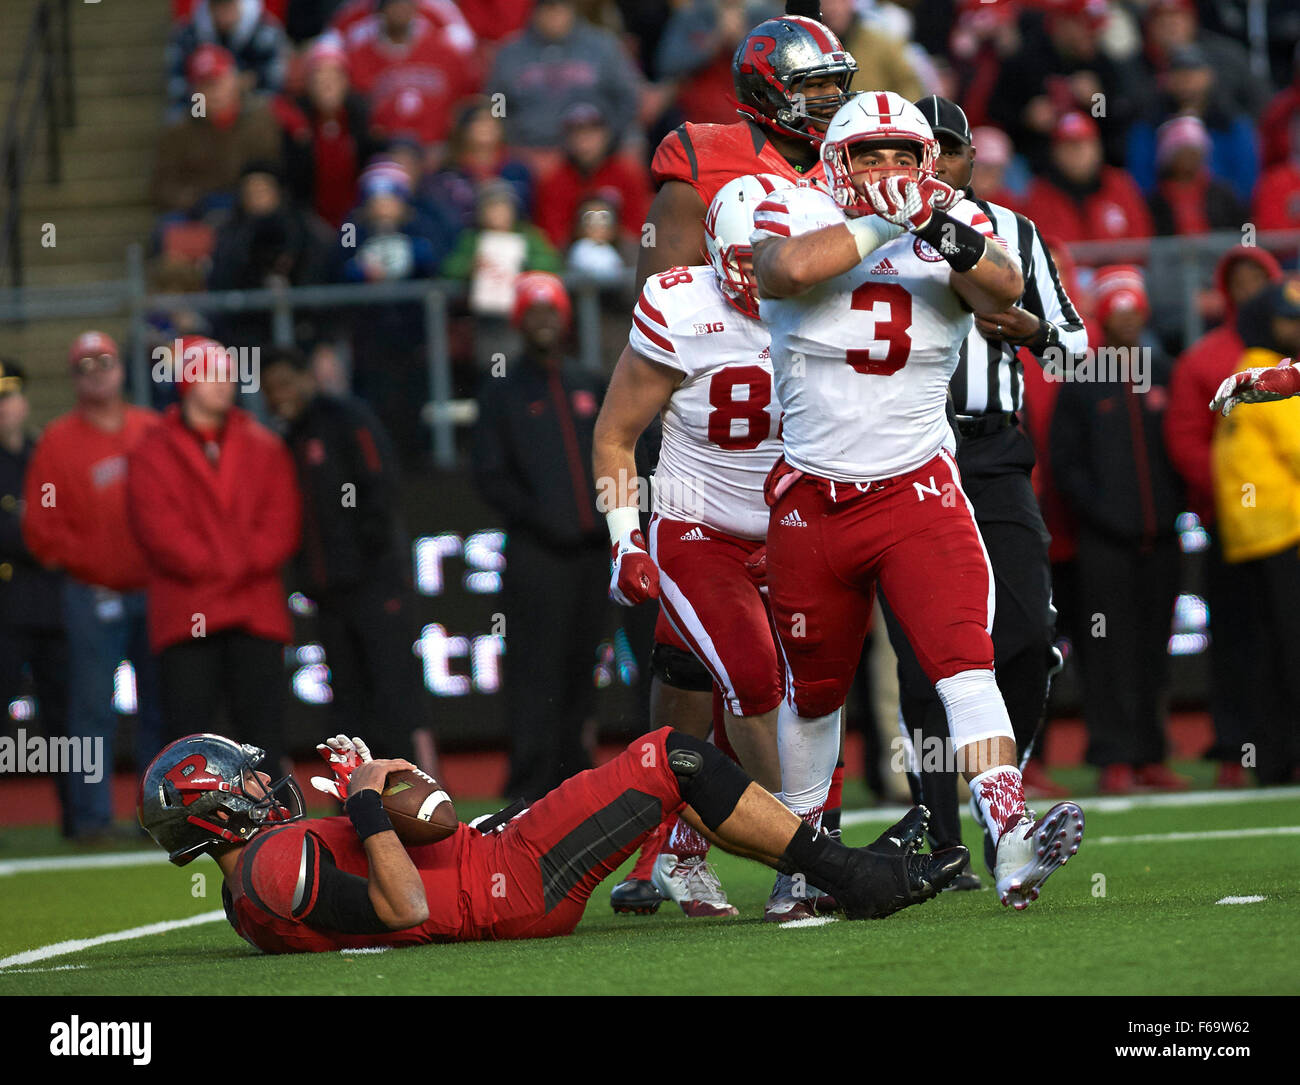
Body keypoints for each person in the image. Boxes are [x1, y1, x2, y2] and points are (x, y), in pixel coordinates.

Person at [750, 90, 1083, 911]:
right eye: (872, 156)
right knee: (814, 690)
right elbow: (784, 271)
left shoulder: (954, 226)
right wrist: (885, 223)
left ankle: (1009, 839)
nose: (890, 171)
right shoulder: (790, 207)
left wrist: (933, 224)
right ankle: (803, 856)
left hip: (917, 489)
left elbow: (1004, 289)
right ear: (837, 161)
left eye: (905, 156)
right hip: (810, 497)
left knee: (964, 662)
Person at [615, 12, 860, 914]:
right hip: (716, 428)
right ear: (764, 88)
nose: (831, 103)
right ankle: (675, 842)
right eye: (813, 86)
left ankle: (790, 833)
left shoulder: (858, 150)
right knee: (697, 663)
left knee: (802, 659)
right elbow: (672, 283)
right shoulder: (704, 153)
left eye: (838, 84)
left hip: (825, 420)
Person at [137, 730, 968, 951]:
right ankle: (854, 875)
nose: (262, 784)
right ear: (211, 812)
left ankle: (839, 870)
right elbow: (405, 905)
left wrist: (390, 803)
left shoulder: (243, 899)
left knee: (658, 781)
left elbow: (418, 847)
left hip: (494, 864)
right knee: (671, 758)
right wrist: (363, 799)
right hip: (509, 883)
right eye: (241, 782)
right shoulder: (276, 862)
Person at [878, 97, 1089, 889]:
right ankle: (938, 830)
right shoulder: (871, 229)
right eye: (915, 151)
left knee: (1029, 634)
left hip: (993, 450)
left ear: (969, 158)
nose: (935, 163)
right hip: (904, 446)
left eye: (948, 149)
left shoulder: (1018, 235)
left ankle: (999, 779)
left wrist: (1034, 331)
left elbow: (1076, 353)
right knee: (920, 652)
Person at [593, 174, 789, 919]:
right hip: (695, 521)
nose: (754, 277)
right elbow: (615, 434)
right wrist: (625, 540)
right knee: (736, 678)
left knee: (720, 683)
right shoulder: (681, 303)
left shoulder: (825, 294)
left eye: (769, 258)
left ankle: (677, 846)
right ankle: (800, 852)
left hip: (793, 527)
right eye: (741, 258)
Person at [125, 336, 301, 770]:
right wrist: (233, 565)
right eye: (213, 375)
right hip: (191, 615)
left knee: (263, 737)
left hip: (248, 613)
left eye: (228, 374)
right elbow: (159, 531)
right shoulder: (151, 453)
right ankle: (193, 831)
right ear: (188, 383)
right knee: (190, 743)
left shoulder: (264, 446)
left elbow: (282, 523)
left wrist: (224, 566)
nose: (225, 384)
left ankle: (271, 830)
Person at [471, 273, 610, 802]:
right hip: (536, 555)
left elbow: (619, 453)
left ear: (566, 317)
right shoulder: (503, 392)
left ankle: (576, 773)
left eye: (551, 310)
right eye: (533, 312)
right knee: (535, 671)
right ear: (519, 321)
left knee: (582, 667)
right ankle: (529, 781)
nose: (544, 320)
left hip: (591, 557)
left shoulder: (590, 384)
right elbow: (489, 476)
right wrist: (542, 518)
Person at [1049, 267, 1187, 794]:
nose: (1129, 321)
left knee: (1155, 650)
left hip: (1162, 543)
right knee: (1108, 653)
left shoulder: (1162, 371)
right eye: (1120, 311)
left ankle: (1151, 754)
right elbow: (1066, 465)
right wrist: (1106, 515)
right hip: (1104, 546)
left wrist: (1171, 510)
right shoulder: (1082, 379)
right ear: (1105, 316)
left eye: (1136, 311)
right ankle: (1113, 757)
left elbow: (1178, 448)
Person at [260, 346, 432, 766]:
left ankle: (409, 789)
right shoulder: (286, 440)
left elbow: (381, 487)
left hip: (373, 583)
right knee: (346, 697)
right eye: (269, 389)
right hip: (328, 593)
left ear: (306, 379)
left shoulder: (347, 419)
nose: (278, 395)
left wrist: (366, 558)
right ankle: (357, 793)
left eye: (285, 383)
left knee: (391, 689)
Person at [21, 332, 163, 841]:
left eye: (105, 360)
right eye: (85, 365)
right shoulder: (58, 441)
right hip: (90, 594)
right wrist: (94, 565)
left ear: (120, 368)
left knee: (159, 707)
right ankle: (91, 820)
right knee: (90, 711)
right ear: (74, 376)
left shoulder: (152, 429)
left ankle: (159, 815)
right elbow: (41, 527)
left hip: (156, 591)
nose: (97, 371)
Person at [1166, 246, 1282, 787]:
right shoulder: (1206, 358)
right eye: (1240, 279)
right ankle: (1240, 749)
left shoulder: (1281, 354)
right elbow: (1187, 438)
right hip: (1229, 523)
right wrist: (1226, 494)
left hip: (1282, 525)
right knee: (1238, 641)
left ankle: (1280, 747)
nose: (1250, 287)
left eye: (1259, 277)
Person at [1209, 280, 1300, 785]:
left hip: (1248, 536)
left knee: (1262, 653)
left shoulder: (1246, 369)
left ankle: (1271, 758)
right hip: (1286, 530)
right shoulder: (1275, 372)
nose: (1296, 327)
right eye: (1288, 318)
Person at [0, 360, 71, 836]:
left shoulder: (45, 452)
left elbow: (69, 520)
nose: (5, 407)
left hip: (50, 601)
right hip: (5, 605)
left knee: (66, 714)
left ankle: (81, 817)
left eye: (10, 396)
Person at [486, 0, 642, 162]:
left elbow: (627, 97)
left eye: (560, 9)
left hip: (596, 154)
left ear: (572, 10)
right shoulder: (510, 53)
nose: (554, 17)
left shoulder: (603, 46)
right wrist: (513, 141)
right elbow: (497, 100)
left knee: (632, 146)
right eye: (548, 9)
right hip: (529, 153)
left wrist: (607, 138)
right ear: (535, 13)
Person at [151, 44, 288, 216]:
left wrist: (256, 194)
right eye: (205, 85)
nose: (214, 92)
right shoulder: (180, 129)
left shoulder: (262, 117)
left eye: (219, 81)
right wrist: (195, 200)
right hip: (199, 212)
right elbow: (162, 187)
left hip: (252, 207)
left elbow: (276, 167)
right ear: (195, 93)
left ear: (233, 80)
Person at [1020, 112, 1153, 245]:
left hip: (1121, 265)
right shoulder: (1039, 193)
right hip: (1062, 266)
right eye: (1068, 146)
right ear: (1055, 152)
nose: (1077, 153)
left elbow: (1141, 238)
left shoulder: (1119, 184)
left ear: (1097, 148)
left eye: (1083, 144)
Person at [165, 0, 289, 121]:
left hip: (249, 103)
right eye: (217, 7)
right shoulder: (187, 33)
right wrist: (203, 95)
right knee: (178, 118)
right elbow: (175, 84)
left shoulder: (266, 31)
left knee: (272, 116)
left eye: (228, 6)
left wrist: (238, 86)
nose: (223, 16)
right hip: (199, 104)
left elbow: (275, 81)